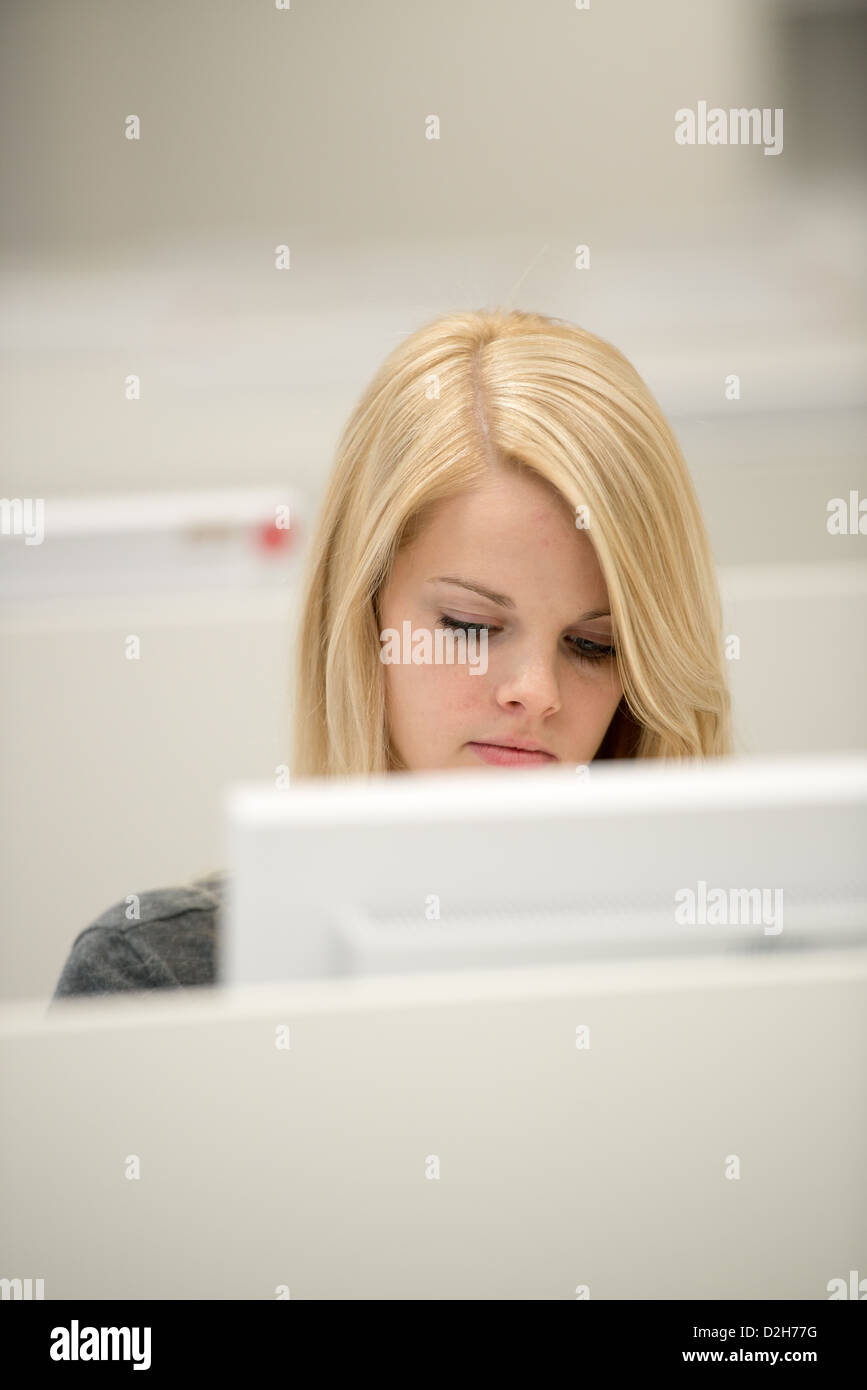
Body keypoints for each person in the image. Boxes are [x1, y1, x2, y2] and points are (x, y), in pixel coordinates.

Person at [51, 307, 731, 1001]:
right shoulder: (161, 979)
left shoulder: (736, 952)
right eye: (469, 625)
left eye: (593, 646)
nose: (535, 691)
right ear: (362, 612)